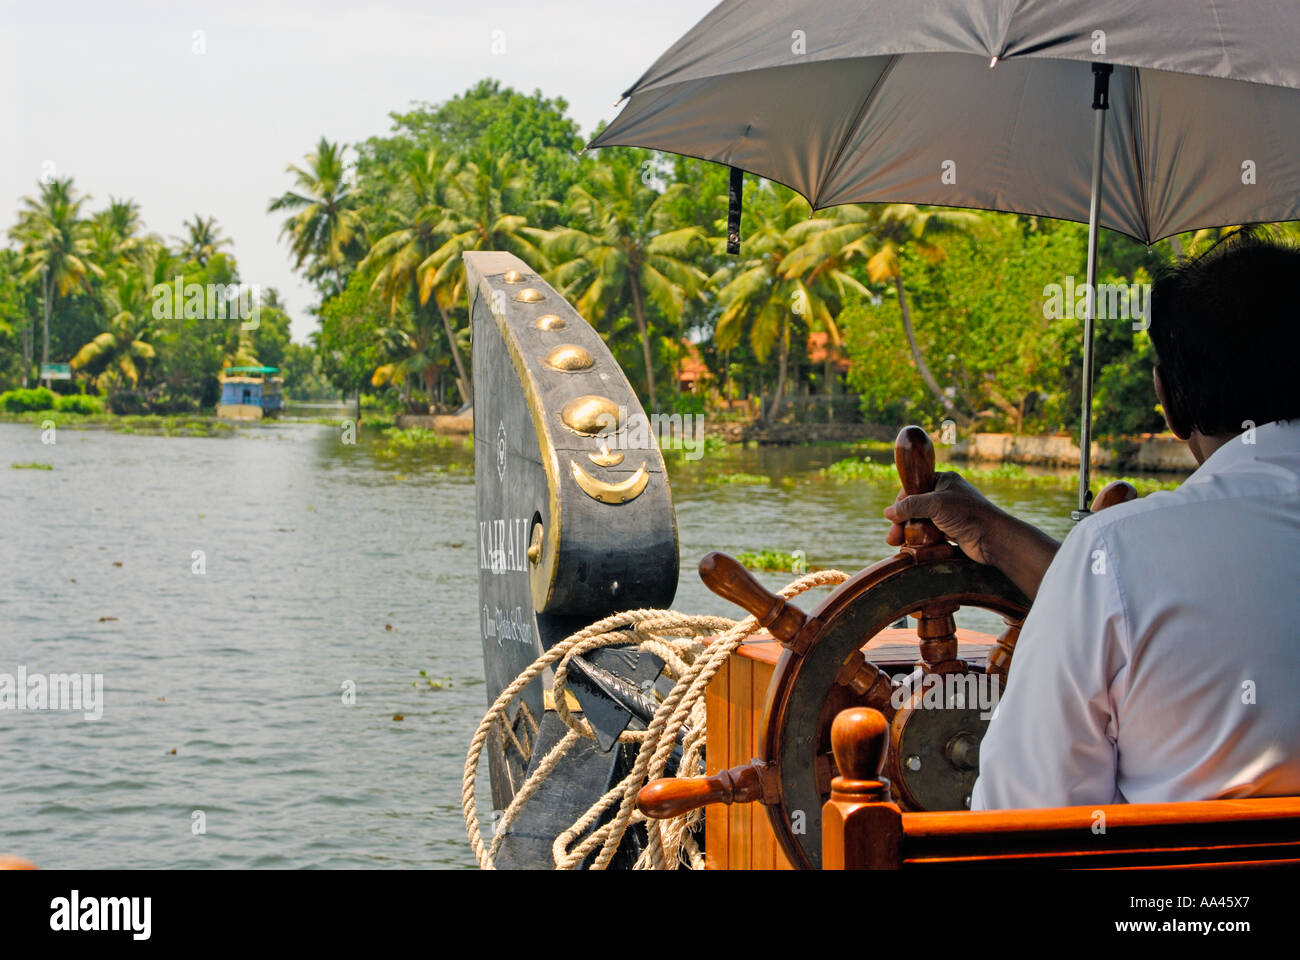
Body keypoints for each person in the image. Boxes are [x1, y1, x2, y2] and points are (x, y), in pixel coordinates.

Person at [883, 229, 1300, 809]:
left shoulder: (1119, 550)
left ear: (1171, 403)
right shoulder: (1118, 554)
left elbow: (1024, 819)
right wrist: (995, 534)